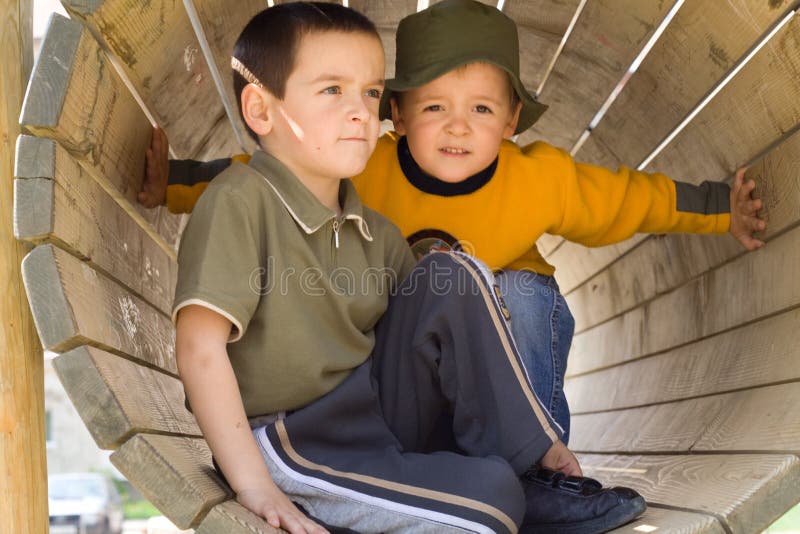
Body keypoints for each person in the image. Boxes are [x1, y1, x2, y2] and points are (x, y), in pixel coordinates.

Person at [143, 0, 766, 450]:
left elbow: (631, 199)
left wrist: (719, 207)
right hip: (417, 339)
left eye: (483, 109)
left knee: (522, 295)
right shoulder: (366, 169)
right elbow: (264, 172)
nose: (459, 126)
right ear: (399, 116)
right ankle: (444, 447)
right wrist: (170, 182)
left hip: (506, 326)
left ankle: (541, 458)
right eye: (435, 108)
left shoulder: (540, 179)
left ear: (513, 118)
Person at [173, 2, 650, 533]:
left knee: (454, 275)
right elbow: (199, 348)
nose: (360, 111)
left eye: (371, 92)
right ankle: (473, 494)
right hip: (294, 442)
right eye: (332, 90)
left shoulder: (371, 228)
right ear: (262, 111)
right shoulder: (241, 201)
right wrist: (254, 484)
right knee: (491, 505)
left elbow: (444, 330)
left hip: (375, 413)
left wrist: (537, 438)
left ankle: (536, 466)